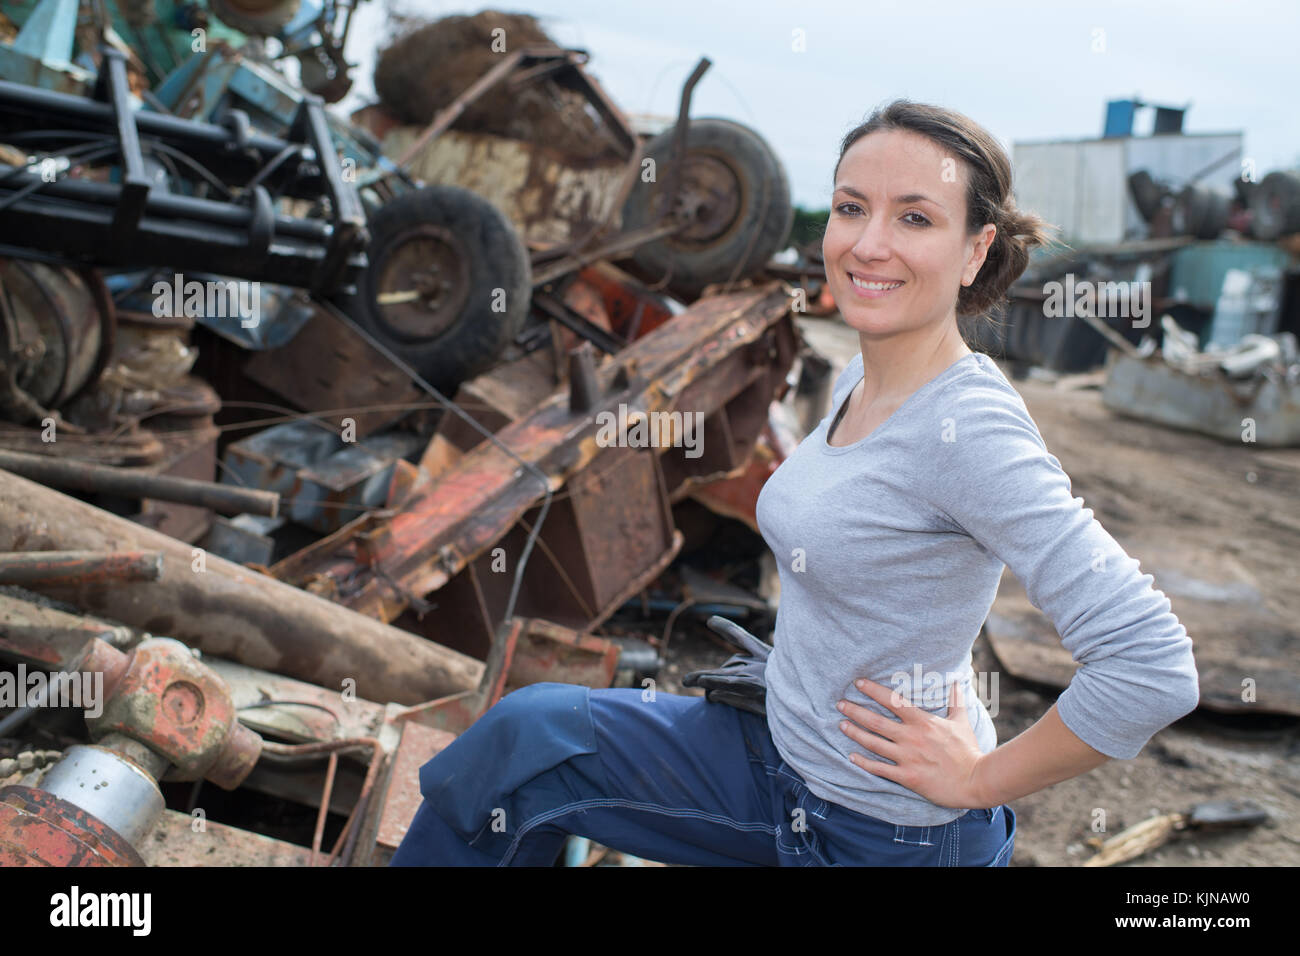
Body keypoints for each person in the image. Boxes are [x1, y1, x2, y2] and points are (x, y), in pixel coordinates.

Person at [389, 99, 1201, 867]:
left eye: (915, 218)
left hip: (873, 830)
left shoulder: (972, 430)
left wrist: (978, 783)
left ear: (976, 250)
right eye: (851, 208)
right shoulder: (860, 375)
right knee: (517, 745)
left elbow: (1149, 666)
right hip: (776, 745)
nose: (868, 243)